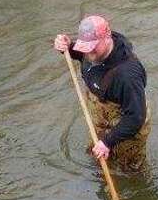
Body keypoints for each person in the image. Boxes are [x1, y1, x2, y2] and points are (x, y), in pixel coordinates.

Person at [53, 15, 151, 173]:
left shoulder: (127, 75)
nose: (88, 52)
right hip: (100, 110)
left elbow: (136, 117)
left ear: (107, 37)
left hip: (128, 118)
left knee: (128, 170)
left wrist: (107, 141)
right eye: (85, 46)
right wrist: (67, 47)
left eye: (92, 47)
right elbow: (81, 53)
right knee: (97, 156)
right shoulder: (91, 49)